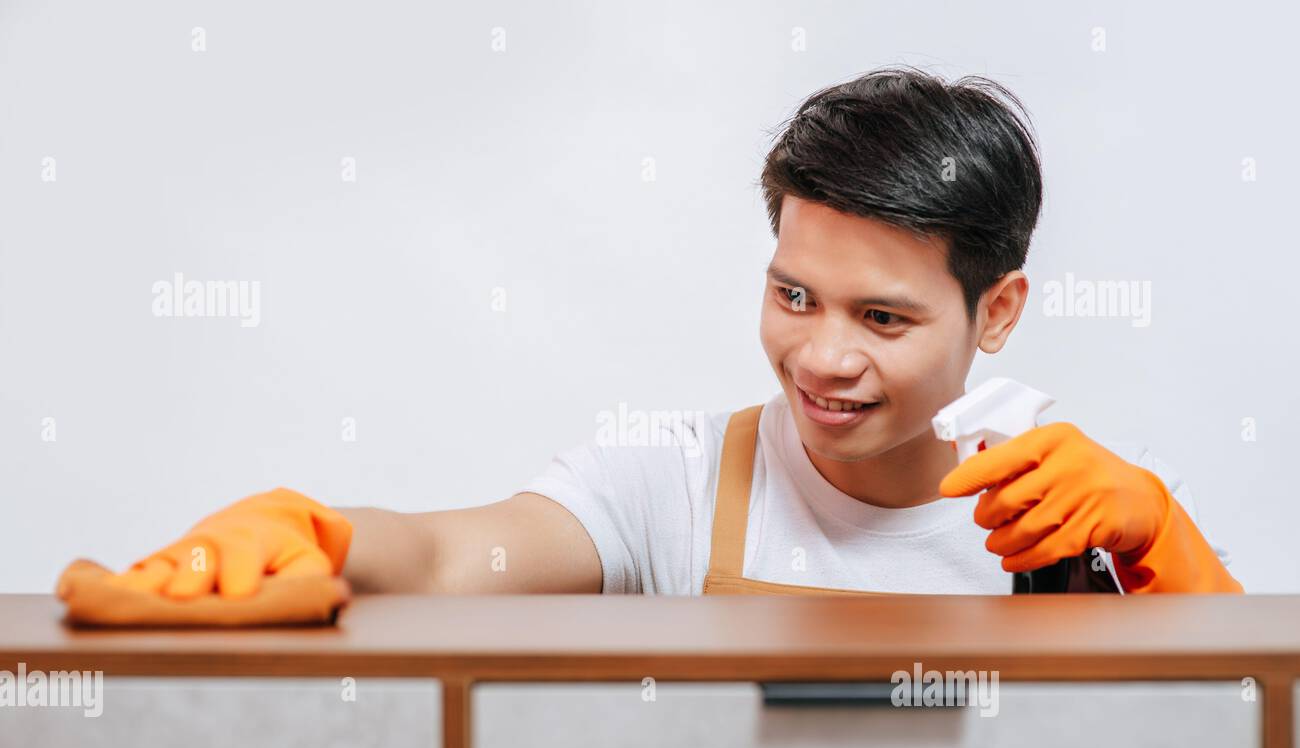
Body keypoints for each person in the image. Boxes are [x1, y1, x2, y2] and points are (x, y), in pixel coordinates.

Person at [107, 68, 1243, 601]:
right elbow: (460, 554)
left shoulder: (1089, 526)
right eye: (794, 296)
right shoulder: (682, 480)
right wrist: (320, 529)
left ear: (996, 310)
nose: (822, 357)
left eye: (882, 317)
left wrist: (1162, 551)